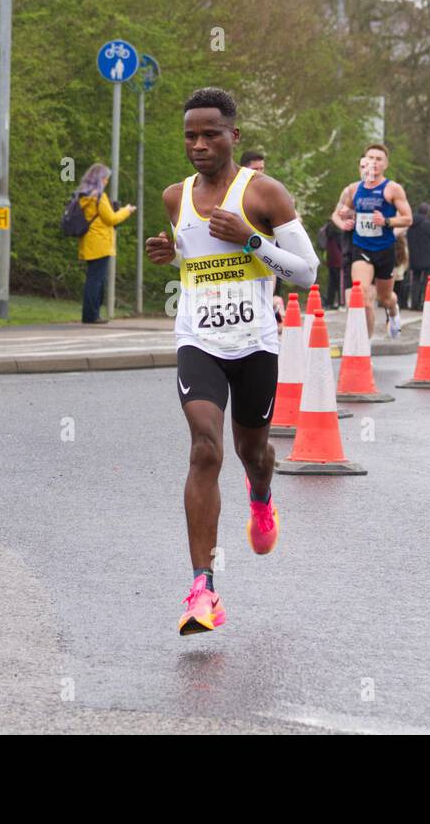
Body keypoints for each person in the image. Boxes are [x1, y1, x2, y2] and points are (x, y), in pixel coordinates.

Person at [144, 87, 319, 635]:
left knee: (253, 450)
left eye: (210, 134)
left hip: (256, 345)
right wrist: (170, 255)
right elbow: (195, 258)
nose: (198, 144)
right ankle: (203, 589)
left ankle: (262, 497)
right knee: (204, 449)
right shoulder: (176, 198)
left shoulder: (264, 193)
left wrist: (251, 242)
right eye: (190, 135)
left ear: (233, 137)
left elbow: (307, 272)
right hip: (198, 339)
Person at [331, 144, 413, 337]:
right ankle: (364, 347)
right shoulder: (354, 189)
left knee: (385, 298)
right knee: (362, 297)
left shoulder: (392, 189)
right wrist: (345, 219)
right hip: (361, 248)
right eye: (370, 158)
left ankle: (393, 312)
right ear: (363, 161)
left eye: (378, 159)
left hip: (385, 249)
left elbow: (408, 218)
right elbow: (341, 213)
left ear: (385, 164)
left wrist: (386, 221)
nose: (374, 162)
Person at [76, 163, 135, 323]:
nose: (106, 182)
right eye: (105, 179)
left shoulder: (83, 195)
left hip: (89, 241)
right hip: (101, 243)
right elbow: (111, 219)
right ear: (99, 179)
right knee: (96, 281)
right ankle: (91, 315)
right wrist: (126, 210)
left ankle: (90, 314)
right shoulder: (99, 196)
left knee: (93, 279)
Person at [406, 202, 430, 310]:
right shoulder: (427, 224)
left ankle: (414, 303)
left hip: (414, 256)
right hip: (427, 257)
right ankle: (424, 303)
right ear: (427, 212)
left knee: (415, 280)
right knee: (427, 281)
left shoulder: (411, 224)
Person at [320, 219, 346, 308]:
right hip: (339, 260)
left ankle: (329, 302)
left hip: (331, 259)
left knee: (331, 282)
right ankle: (341, 302)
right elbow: (342, 245)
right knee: (340, 282)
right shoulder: (339, 230)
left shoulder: (327, 229)